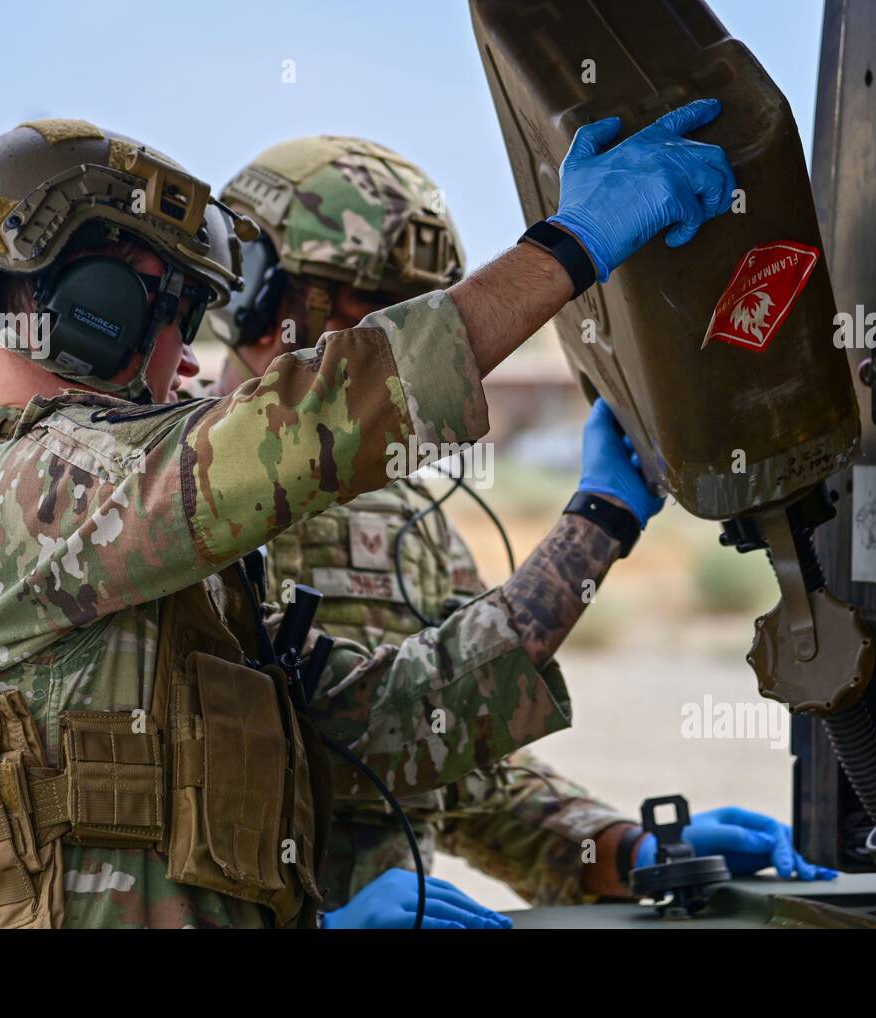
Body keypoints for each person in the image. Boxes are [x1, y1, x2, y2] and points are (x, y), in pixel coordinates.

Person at [0, 102, 744, 930]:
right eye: (177, 308)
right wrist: (568, 247)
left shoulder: (153, 547)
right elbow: (304, 420)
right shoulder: (7, 498)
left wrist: (599, 521)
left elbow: (385, 726)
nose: (186, 350)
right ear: (99, 308)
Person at [207, 135, 836, 914]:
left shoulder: (404, 520)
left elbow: (460, 767)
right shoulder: (164, 515)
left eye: (418, 313)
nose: (402, 350)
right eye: (374, 312)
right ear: (255, 294)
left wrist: (629, 849)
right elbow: (116, 833)